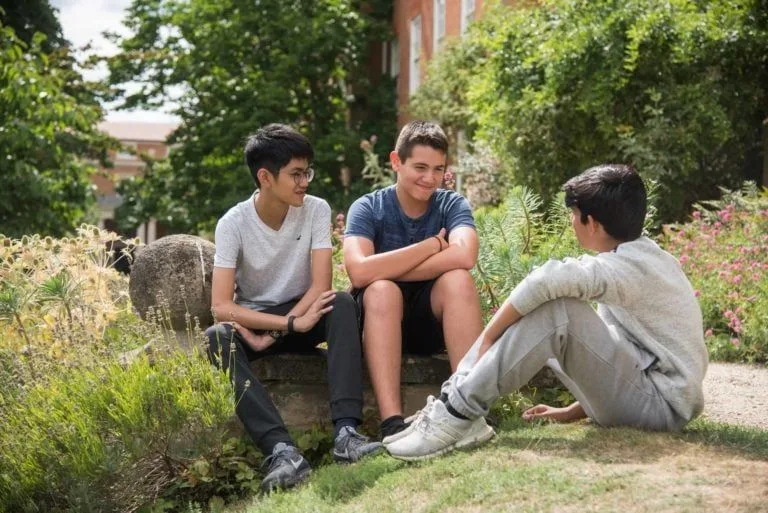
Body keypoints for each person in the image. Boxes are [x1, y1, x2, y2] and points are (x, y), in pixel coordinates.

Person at [385, 164, 708, 461]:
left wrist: (487, 337)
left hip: (660, 408)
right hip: (653, 399)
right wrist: (573, 411)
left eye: (574, 214)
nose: (571, 222)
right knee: (556, 307)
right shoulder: (639, 258)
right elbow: (633, 354)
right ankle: (453, 403)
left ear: (591, 223)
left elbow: (547, 280)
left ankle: (457, 412)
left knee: (559, 310)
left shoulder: (631, 269)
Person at [205, 124, 382, 492]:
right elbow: (221, 306)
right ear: (265, 177)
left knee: (343, 303)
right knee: (216, 339)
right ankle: (282, 451)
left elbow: (320, 286)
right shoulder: (232, 224)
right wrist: (282, 325)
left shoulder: (316, 209)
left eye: (307, 172)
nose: (305, 182)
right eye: (296, 174)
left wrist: (287, 327)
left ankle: (347, 435)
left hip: (304, 313)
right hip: (260, 321)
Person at [343, 121, 484, 441]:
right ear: (396, 161)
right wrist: (431, 245)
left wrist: (386, 266)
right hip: (377, 322)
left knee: (458, 280)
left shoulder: (452, 204)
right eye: (420, 167)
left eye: (438, 169)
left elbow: (464, 256)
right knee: (381, 289)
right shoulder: (367, 208)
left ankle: (467, 411)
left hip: (429, 322)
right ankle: (393, 422)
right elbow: (359, 273)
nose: (430, 178)